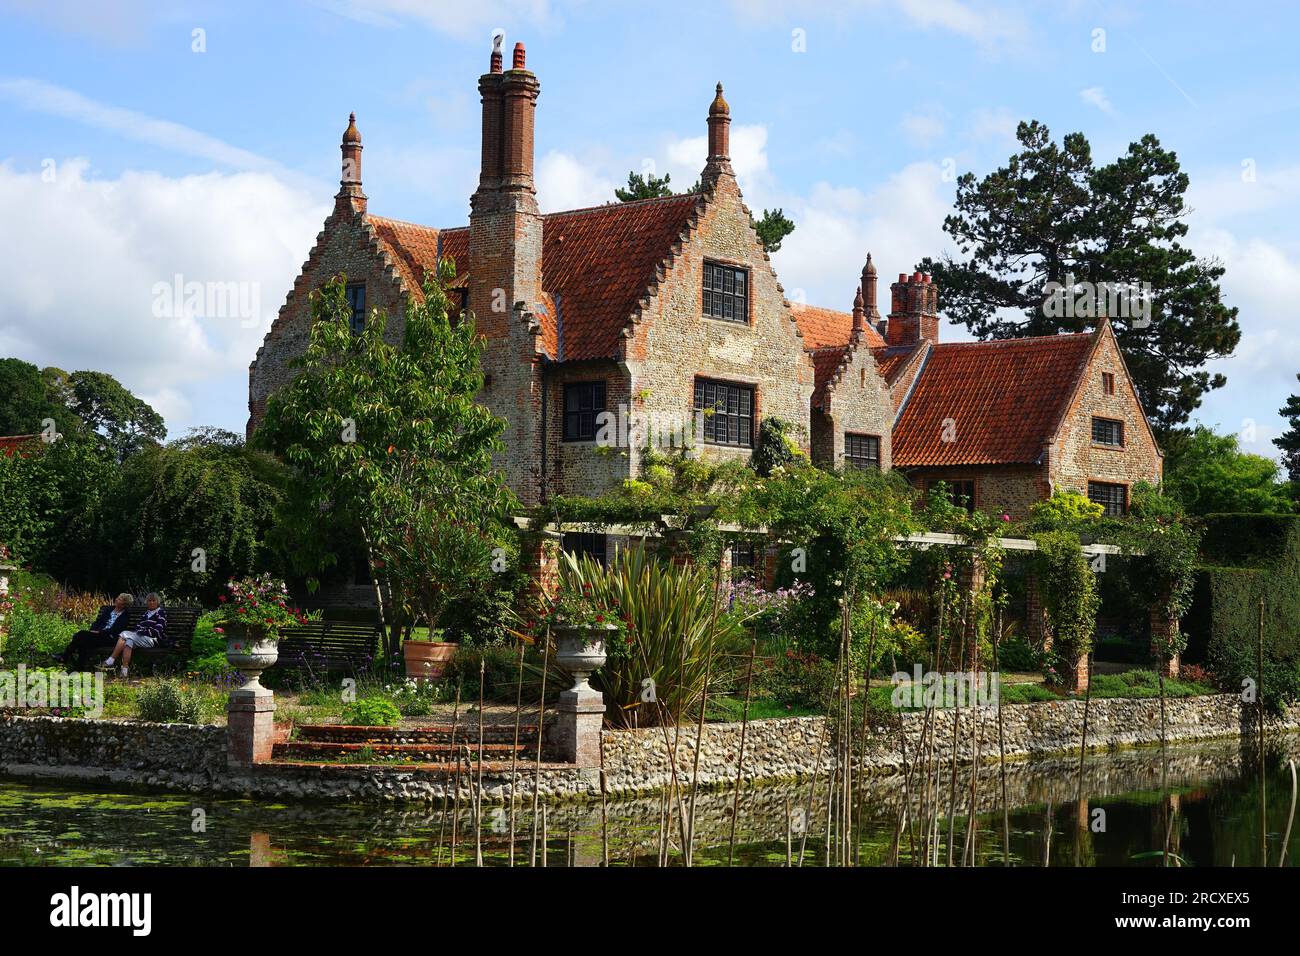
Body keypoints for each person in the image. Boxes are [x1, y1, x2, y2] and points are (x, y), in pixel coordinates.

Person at [60, 593, 134, 671]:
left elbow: (116, 630)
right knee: (84, 642)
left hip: (110, 638)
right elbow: (97, 622)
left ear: (123, 605)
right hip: (97, 635)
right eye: (118, 597)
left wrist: (99, 632)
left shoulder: (125, 616)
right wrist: (93, 630)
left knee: (81, 635)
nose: (116, 599)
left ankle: (65, 657)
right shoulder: (109, 610)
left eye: (120, 599)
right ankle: (79, 667)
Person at [102, 592, 167, 678]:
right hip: (141, 638)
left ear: (157, 602)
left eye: (153, 600)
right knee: (129, 641)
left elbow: (157, 631)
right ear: (147, 602)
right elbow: (138, 627)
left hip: (152, 640)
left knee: (124, 633)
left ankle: (111, 659)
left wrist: (143, 631)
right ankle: (124, 672)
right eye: (149, 601)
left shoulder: (161, 613)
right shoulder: (146, 614)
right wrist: (142, 631)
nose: (151, 602)